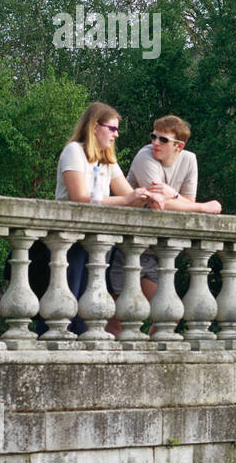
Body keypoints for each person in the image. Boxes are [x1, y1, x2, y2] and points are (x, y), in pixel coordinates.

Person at [54, 102, 162, 335]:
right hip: (69, 240)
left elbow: (128, 195)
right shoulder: (74, 150)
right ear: (95, 127)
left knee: (89, 308)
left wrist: (148, 197)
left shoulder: (107, 159)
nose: (116, 134)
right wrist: (128, 199)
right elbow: (80, 198)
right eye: (112, 128)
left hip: (96, 242)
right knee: (67, 303)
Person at [126, 115, 222, 302]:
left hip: (159, 248)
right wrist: (202, 207)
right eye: (153, 136)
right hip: (129, 245)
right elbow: (159, 204)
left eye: (163, 139)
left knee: (168, 315)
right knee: (118, 319)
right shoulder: (144, 157)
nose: (155, 143)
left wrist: (174, 195)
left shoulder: (189, 160)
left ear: (179, 146)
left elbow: (187, 202)